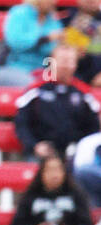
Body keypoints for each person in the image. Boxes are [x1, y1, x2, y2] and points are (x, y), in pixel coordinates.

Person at [12, 46, 101, 201]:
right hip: (42, 153)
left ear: (75, 64)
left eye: (70, 61)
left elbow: (93, 130)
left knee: (85, 173)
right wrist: (34, 146)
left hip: (74, 155)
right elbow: (22, 124)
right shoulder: (36, 91)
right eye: (62, 61)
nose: (66, 65)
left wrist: (78, 149)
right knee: (45, 174)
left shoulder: (84, 94)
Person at [11, 152, 95, 225]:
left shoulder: (76, 195)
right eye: (50, 170)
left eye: (58, 169)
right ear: (42, 173)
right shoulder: (30, 196)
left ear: (64, 172)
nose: (54, 174)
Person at [0, 0, 64, 87]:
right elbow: (16, 42)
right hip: (9, 69)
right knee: (35, 87)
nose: (53, 2)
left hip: (39, 73)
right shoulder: (19, 13)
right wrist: (45, 39)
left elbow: (53, 50)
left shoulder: (53, 22)